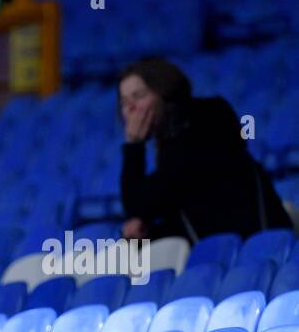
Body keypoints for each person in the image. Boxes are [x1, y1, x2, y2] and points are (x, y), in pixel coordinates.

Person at [118, 57, 290, 242]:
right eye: (124, 102)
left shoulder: (209, 116)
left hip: (256, 245)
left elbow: (144, 203)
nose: (130, 109)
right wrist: (145, 229)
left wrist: (134, 144)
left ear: (164, 91)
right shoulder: (170, 142)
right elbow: (179, 207)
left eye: (138, 96)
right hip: (222, 246)